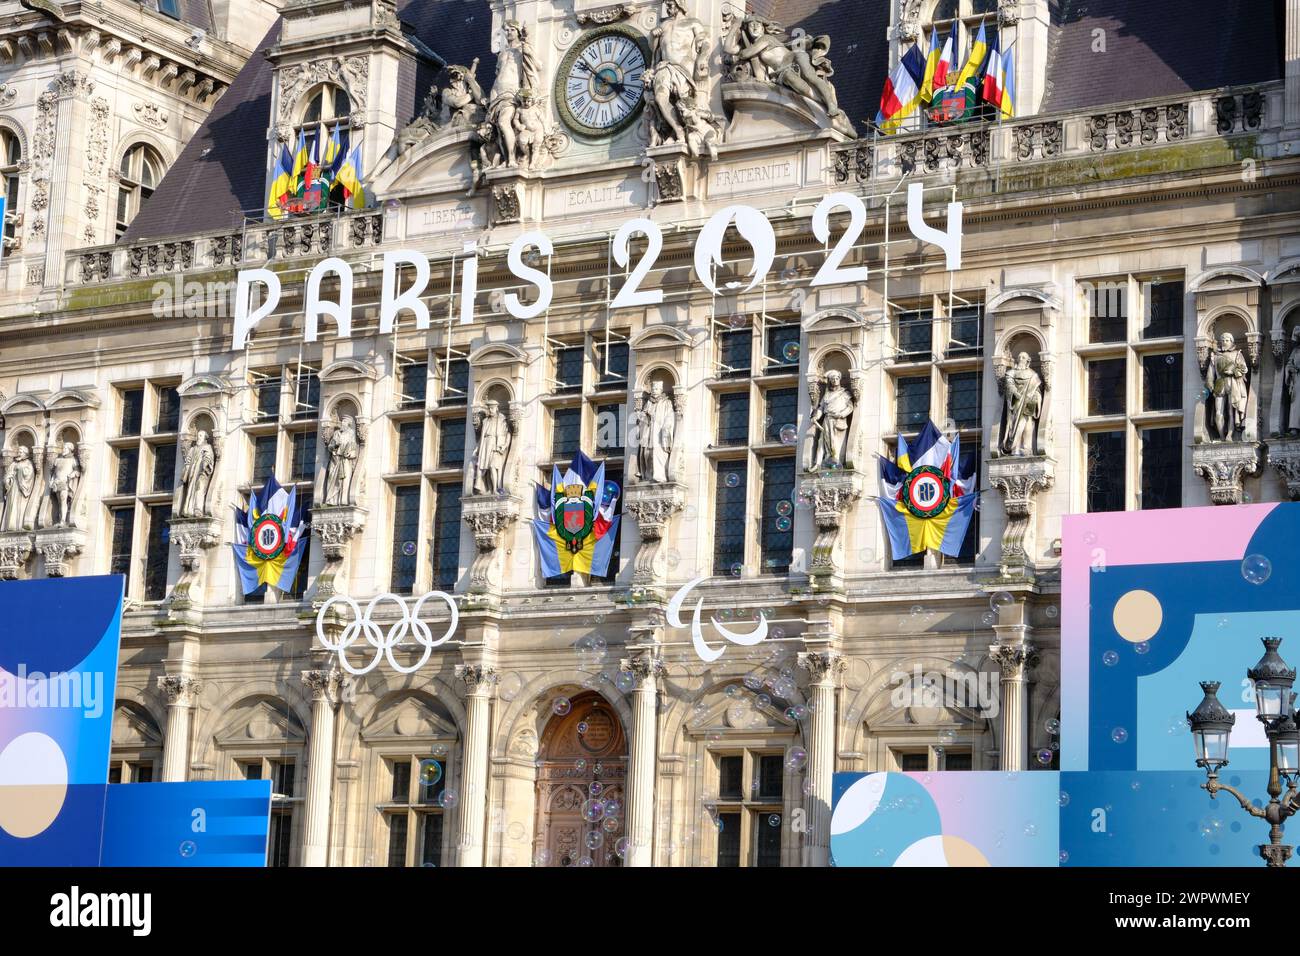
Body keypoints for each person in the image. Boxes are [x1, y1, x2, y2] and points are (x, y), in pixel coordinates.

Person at [1205, 331, 1249, 441]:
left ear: (1231, 341)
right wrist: (1210, 384)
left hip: (1232, 383)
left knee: (1231, 411)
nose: (1225, 342)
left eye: (1227, 340)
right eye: (1223, 340)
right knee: (1218, 413)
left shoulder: (1237, 354)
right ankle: (1221, 436)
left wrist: (1233, 371)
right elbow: (1210, 374)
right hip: (1219, 384)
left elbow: (1244, 369)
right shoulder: (1215, 356)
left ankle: (1230, 434)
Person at [636, 380, 676, 483]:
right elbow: (643, 416)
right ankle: (648, 476)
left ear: (661, 390)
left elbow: (670, 416)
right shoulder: (648, 403)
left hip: (659, 433)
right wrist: (644, 416)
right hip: (648, 432)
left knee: (659, 453)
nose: (654, 391)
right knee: (647, 454)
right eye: (653, 389)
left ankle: (660, 475)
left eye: (657, 389)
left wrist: (666, 428)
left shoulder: (666, 402)